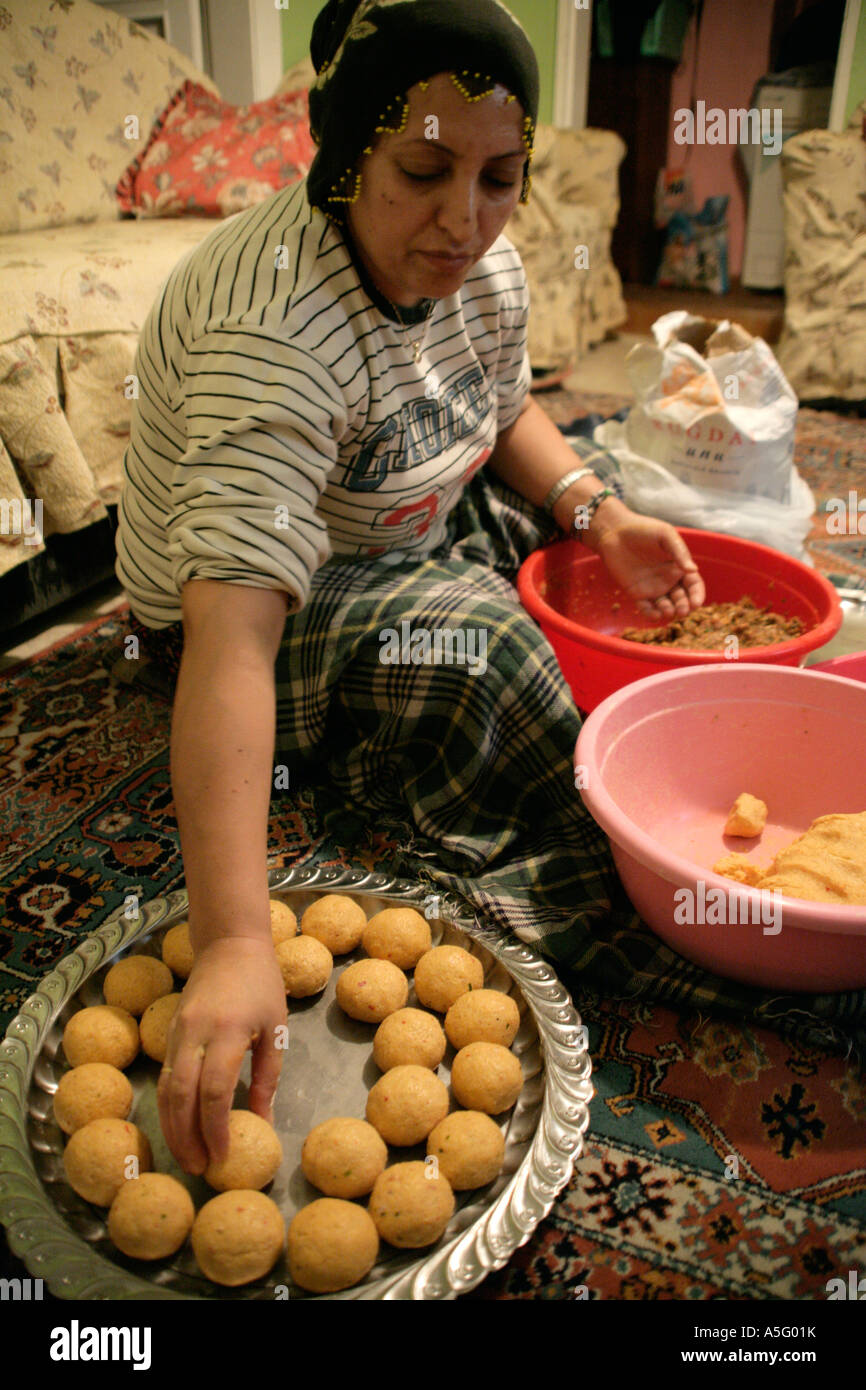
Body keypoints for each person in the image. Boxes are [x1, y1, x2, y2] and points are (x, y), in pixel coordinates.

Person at [115, 0, 705, 1176]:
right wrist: (233, 937)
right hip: (230, 619)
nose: (464, 220)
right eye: (424, 172)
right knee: (483, 640)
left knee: (589, 514)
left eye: (500, 177)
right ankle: (607, 878)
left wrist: (601, 513)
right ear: (341, 157)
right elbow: (230, 643)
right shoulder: (270, 331)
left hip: (387, 518)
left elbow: (496, 414)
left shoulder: (479, 263)